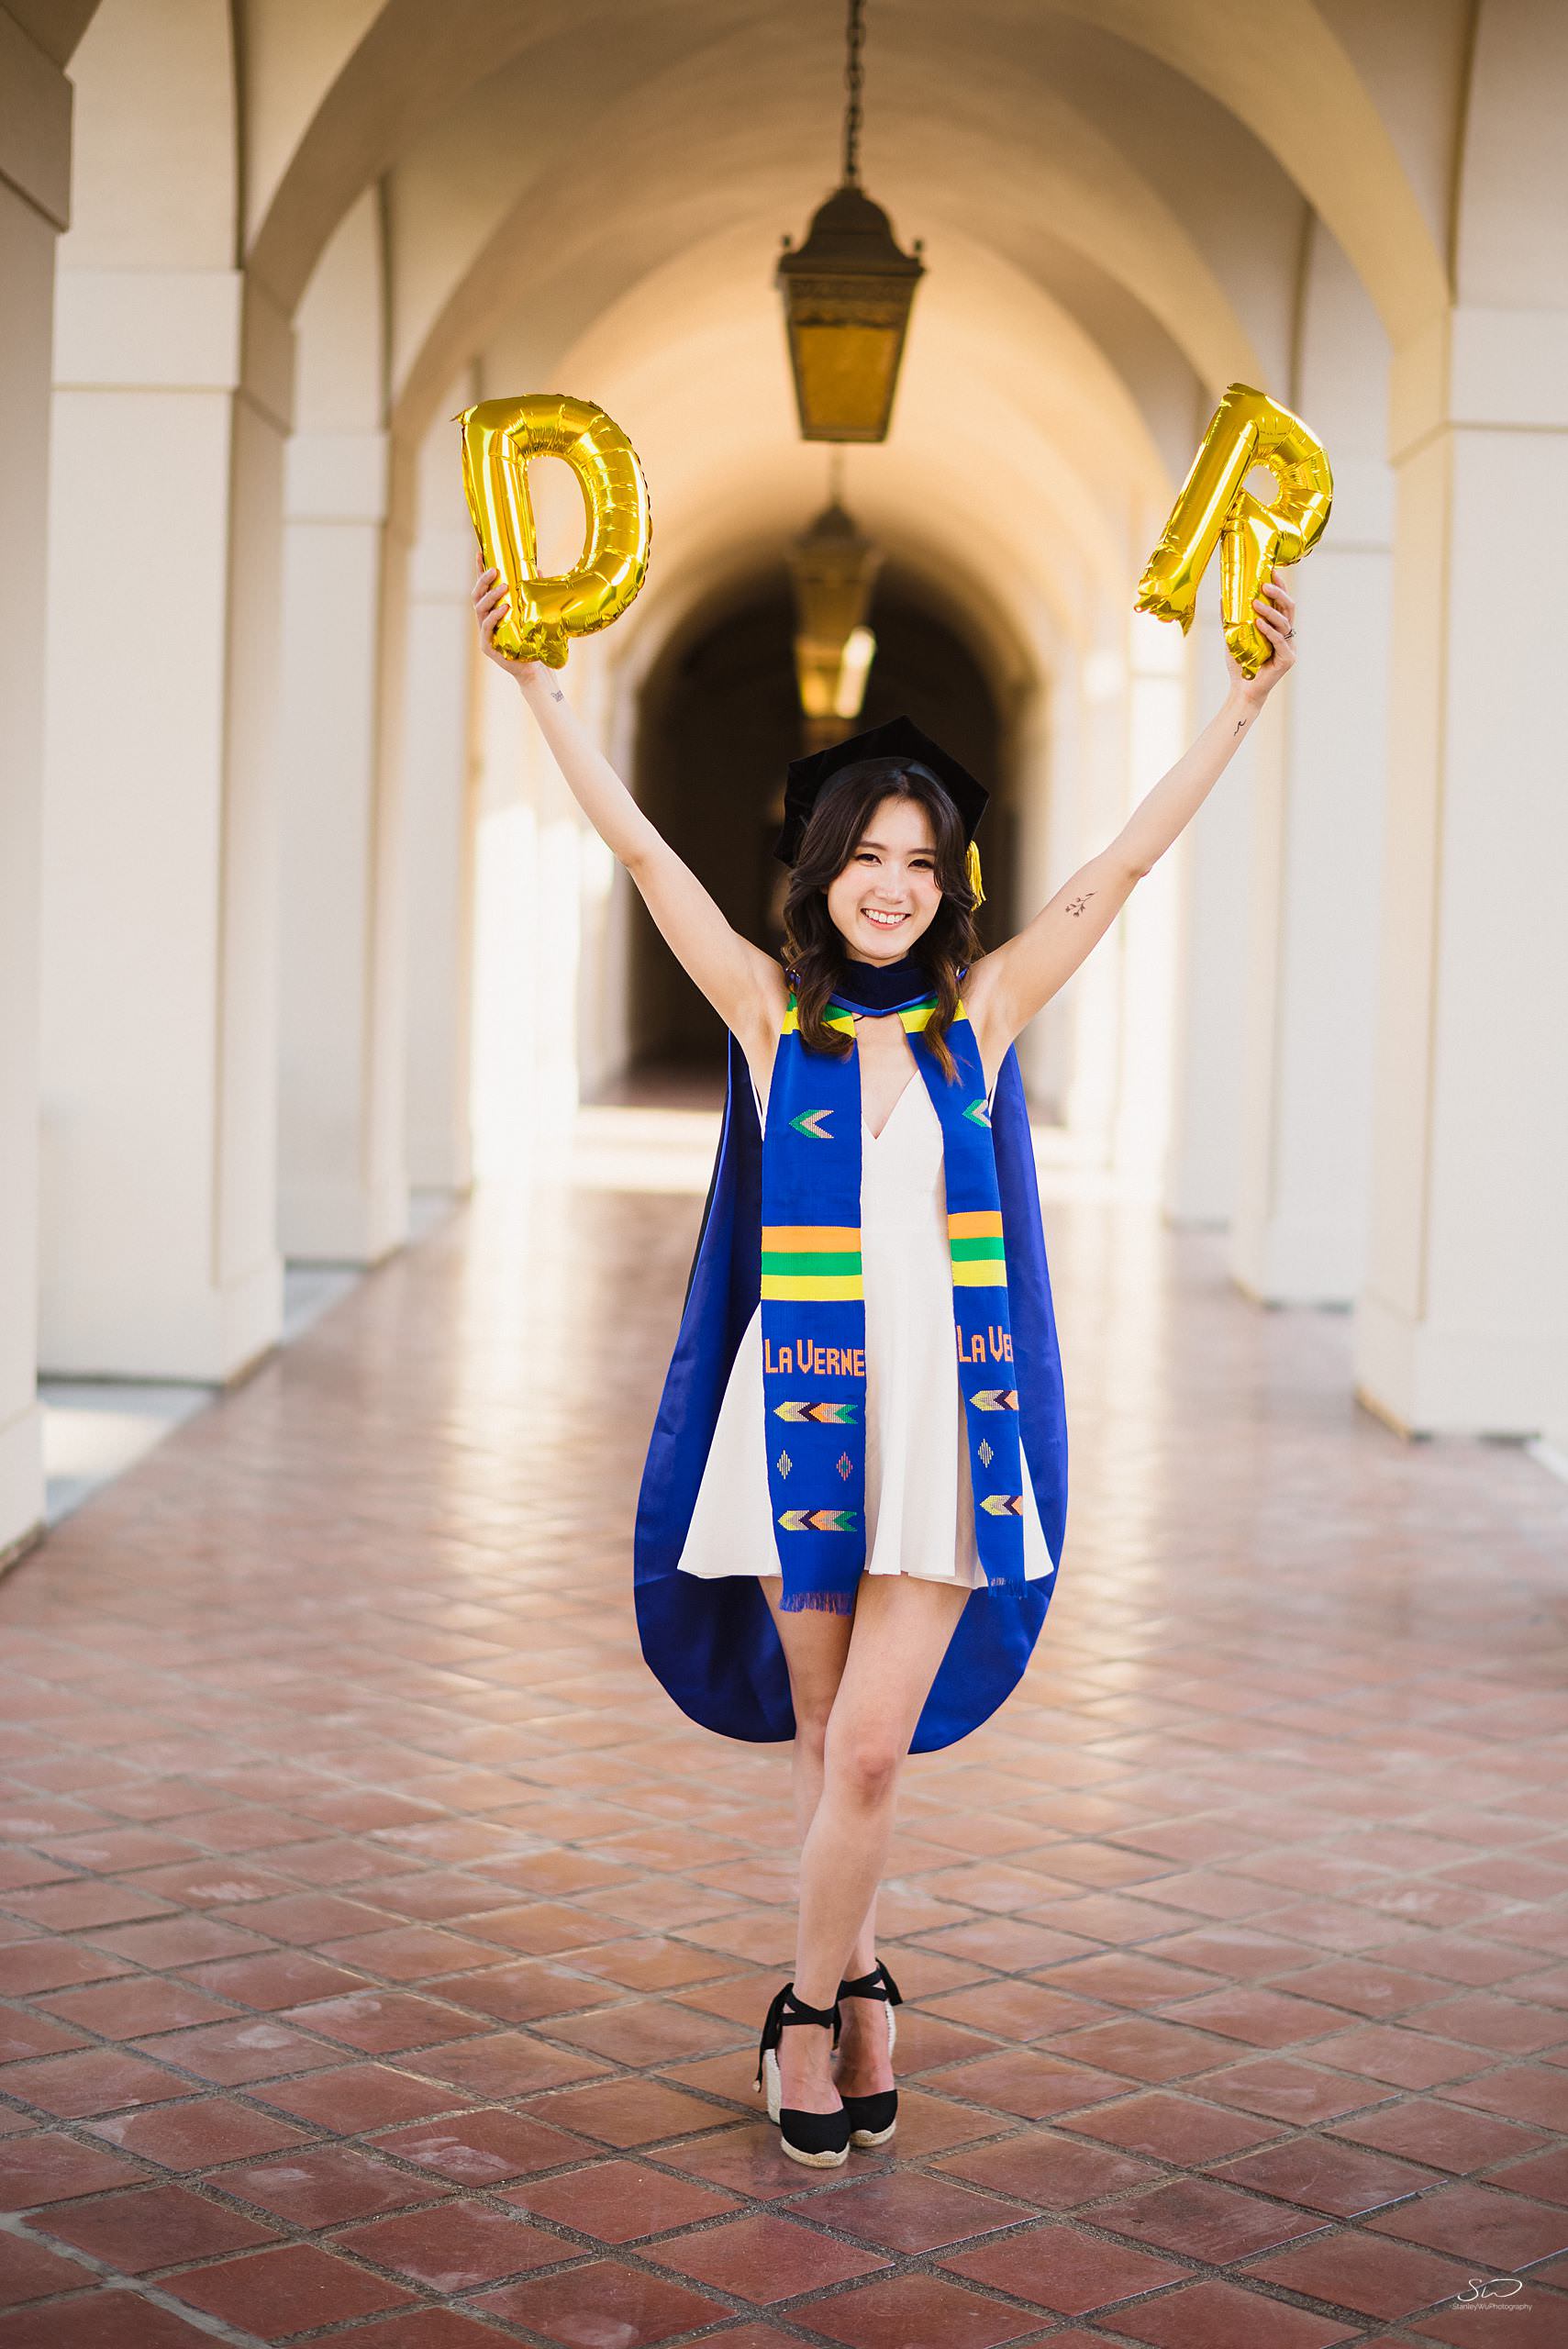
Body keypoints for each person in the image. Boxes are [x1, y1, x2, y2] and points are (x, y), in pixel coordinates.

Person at [473, 558, 1298, 2165]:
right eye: (864, 854)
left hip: (943, 1429)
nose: (892, 883)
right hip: (802, 1422)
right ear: (818, 870)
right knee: (814, 1744)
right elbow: (638, 848)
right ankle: (857, 1983)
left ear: (951, 881)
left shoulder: (974, 1021)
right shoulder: (769, 1018)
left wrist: (1245, 701)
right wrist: (537, 690)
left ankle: (794, 2010)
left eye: (919, 860)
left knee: (864, 1746)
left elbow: (1123, 867)